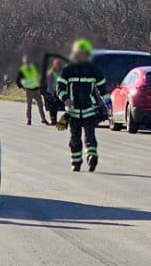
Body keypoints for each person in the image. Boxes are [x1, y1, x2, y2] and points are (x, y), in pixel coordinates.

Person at [56, 40, 107, 172]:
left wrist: (108, 103)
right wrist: (65, 98)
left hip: (89, 111)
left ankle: (91, 157)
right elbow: (60, 87)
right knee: (75, 139)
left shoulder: (93, 70)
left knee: (90, 137)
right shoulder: (68, 70)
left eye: (84, 54)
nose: (81, 56)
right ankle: (76, 162)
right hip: (72, 113)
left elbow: (103, 89)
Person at [17, 54, 48, 125]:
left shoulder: (33, 67)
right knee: (29, 106)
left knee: (40, 105)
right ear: (24, 62)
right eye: (26, 61)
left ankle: (43, 119)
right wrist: (24, 88)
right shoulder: (22, 70)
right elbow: (18, 81)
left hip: (36, 89)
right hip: (29, 90)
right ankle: (29, 119)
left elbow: (37, 76)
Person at [43, 58, 64, 125]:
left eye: (59, 64)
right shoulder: (50, 73)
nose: (58, 65)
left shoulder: (62, 72)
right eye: (56, 64)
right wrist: (52, 94)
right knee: (53, 107)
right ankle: (53, 121)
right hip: (52, 92)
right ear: (54, 65)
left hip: (60, 91)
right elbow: (49, 84)